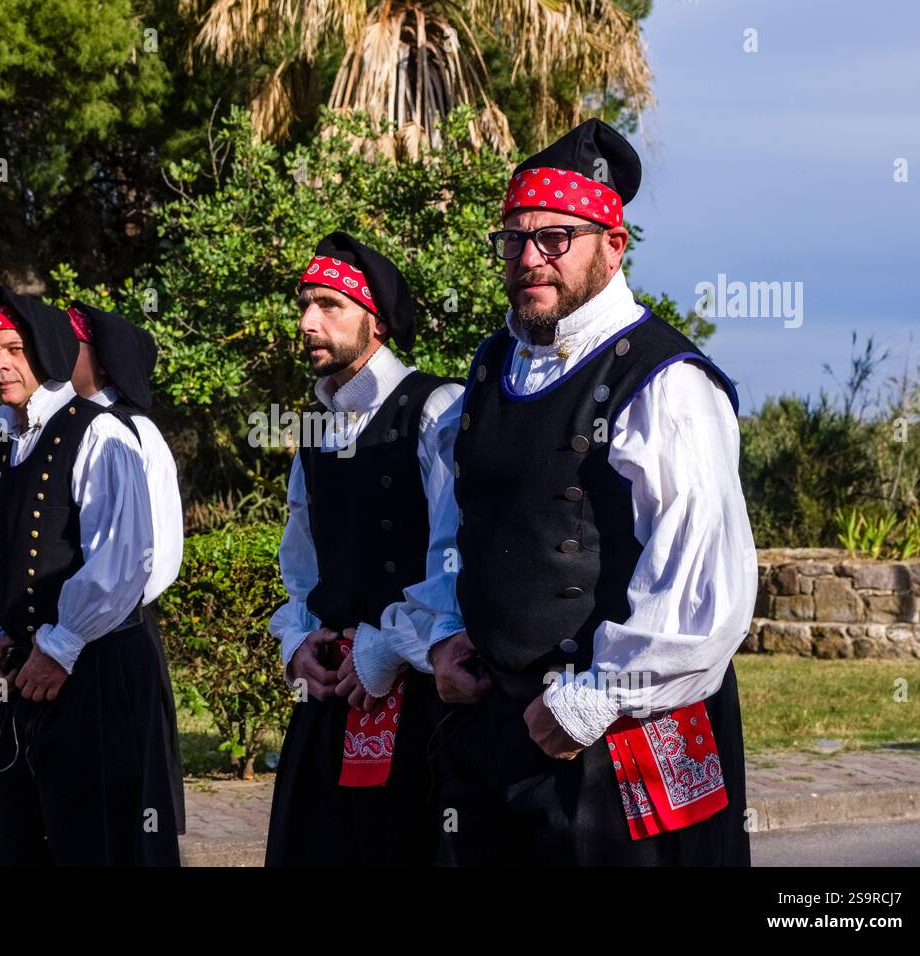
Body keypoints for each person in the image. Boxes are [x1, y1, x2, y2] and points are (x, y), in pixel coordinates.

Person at [418, 119, 757, 865]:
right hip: (500, 732)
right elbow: (456, 530)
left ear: (613, 243)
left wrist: (597, 696)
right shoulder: (487, 369)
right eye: (514, 239)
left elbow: (704, 583)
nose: (531, 258)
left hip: (625, 737)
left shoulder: (667, 383)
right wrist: (444, 631)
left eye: (555, 239)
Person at [0, 285, 184, 865]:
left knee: (98, 847)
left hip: (93, 674)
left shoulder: (104, 432)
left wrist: (61, 646)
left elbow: (124, 561)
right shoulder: (15, 438)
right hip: (28, 676)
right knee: (19, 844)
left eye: (13, 349)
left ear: (47, 353)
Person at [265, 232, 463, 865]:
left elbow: (460, 555)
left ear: (374, 321)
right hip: (330, 696)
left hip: (420, 700)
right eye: (305, 304)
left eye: (329, 305)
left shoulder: (437, 409)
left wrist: (392, 646)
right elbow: (301, 562)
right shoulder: (315, 431)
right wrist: (296, 641)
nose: (307, 322)